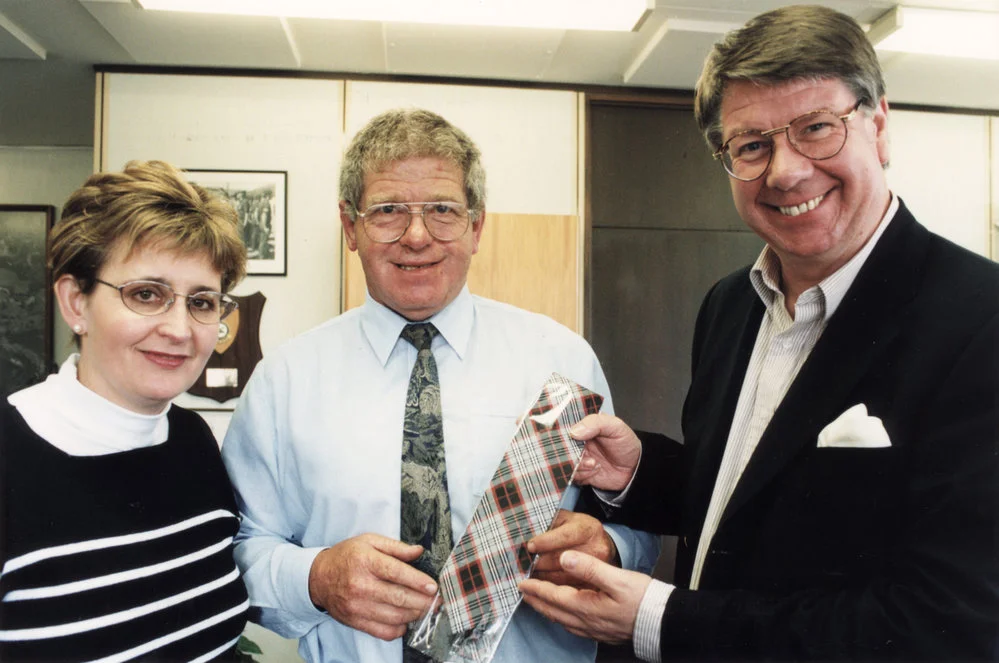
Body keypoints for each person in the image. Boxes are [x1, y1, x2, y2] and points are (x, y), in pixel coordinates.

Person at [519, 5, 999, 661]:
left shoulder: (979, 318)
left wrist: (658, 618)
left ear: (878, 125)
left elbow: (948, 620)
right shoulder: (729, 306)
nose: (785, 171)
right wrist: (640, 472)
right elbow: (753, 496)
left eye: (815, 128)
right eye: (751, 145)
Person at [221, 108, 659, 662]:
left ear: (477, 227)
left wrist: (609, 549)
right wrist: (316, 578)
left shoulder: (561, 359)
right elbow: (239, 549)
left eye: (443, 211)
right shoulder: (284, 380)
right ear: (349, 226)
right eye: (387, 212)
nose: (417, 236)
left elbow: (634, 524)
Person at [0, 160, 251, 660]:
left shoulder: (192, 439)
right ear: (76, 303)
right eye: (146, 294)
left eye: (201, 302)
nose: (180, 330)